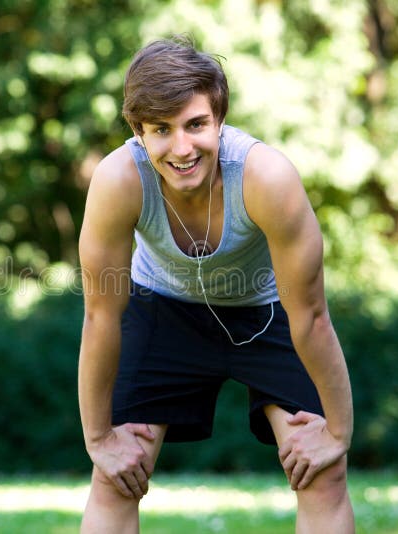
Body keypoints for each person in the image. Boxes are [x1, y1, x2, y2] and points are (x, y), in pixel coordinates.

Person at [77, 35, 355, 533]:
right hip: (161, 308)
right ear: (138, 132)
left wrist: (338, 432)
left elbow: (311, 314)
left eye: (196, 125)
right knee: (116, 474)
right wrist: (98, 439)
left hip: (268, 309)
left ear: (220, 120)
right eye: (161, 129)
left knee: (321, 471)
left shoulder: (265, 177)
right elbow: (101, 314)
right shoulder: (118, 180)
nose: (182, 148)